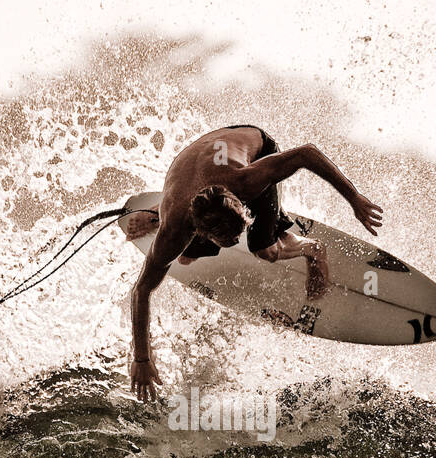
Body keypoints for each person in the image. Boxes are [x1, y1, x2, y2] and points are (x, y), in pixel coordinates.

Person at [122, 124, 383, 400]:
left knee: (265, 249)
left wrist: (354, 198)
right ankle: (158, 212)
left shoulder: (248, 181)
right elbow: (141, 291)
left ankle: (314, 250)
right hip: (193, 164)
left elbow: (306, 154)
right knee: (183, 258)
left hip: (252, 149)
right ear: (199, 231)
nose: (236, 243)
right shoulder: (175, 232)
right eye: (228, 239)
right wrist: (141, 358)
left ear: (239, 205)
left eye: (237, 232)